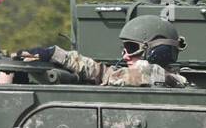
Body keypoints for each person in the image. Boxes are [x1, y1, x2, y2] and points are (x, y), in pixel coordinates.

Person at [18, 15, 189, 87]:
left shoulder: (157, 75)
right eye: (124, 49)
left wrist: (56, 54)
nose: (125, 55)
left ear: (156, 52)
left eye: (131, 48)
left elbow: (107, 75)